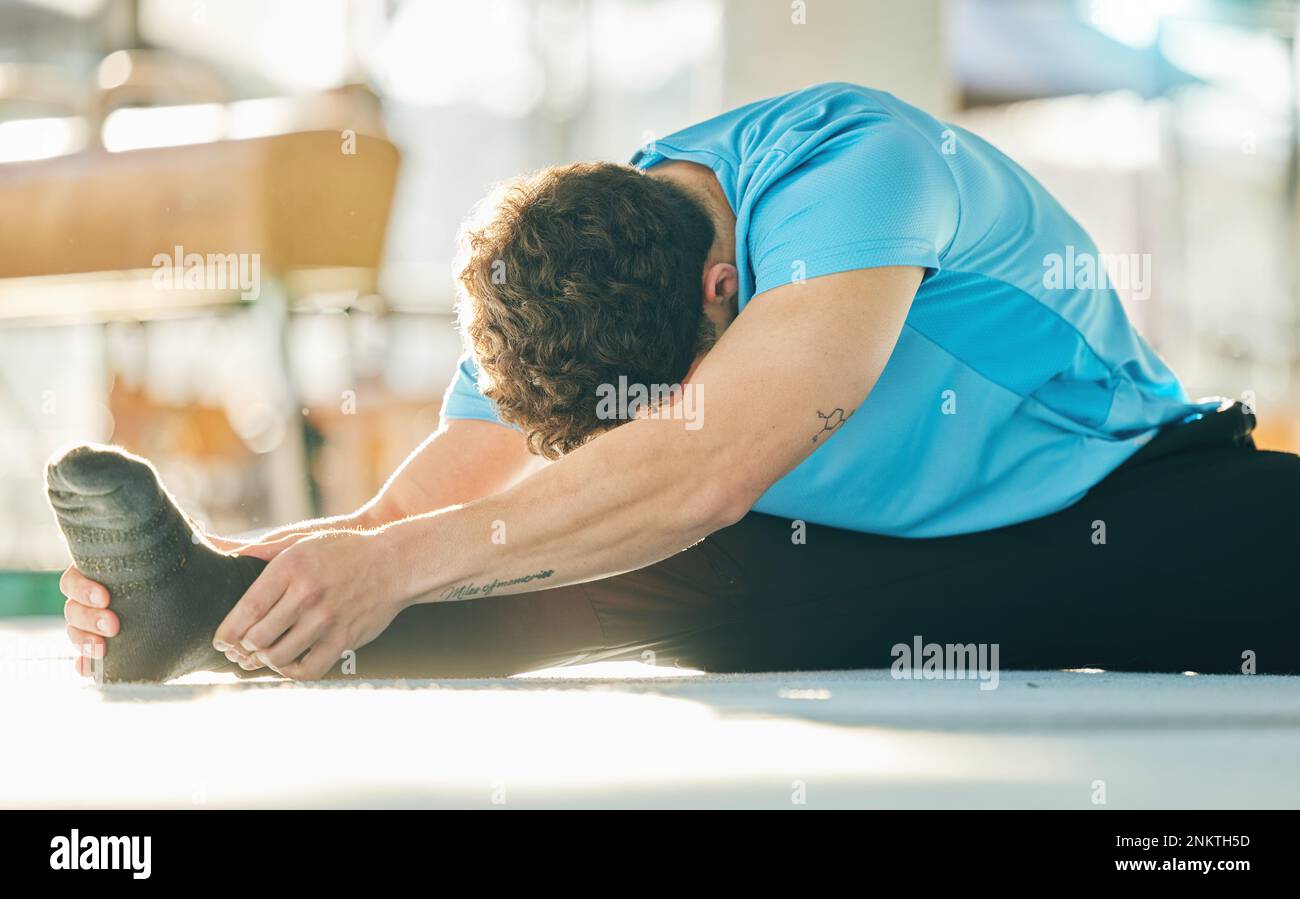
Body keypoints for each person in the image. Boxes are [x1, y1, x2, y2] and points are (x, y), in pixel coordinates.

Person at [60, 82, 1300, 680]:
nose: (617, 435)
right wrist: (235, 573)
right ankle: (208, 624)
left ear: (724, 291)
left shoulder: (852, 164)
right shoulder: (565, 278)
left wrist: (395, 563)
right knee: (491, 565)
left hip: (1114, 507)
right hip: (843, 568)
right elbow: (400, 529)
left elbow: (703, 466)